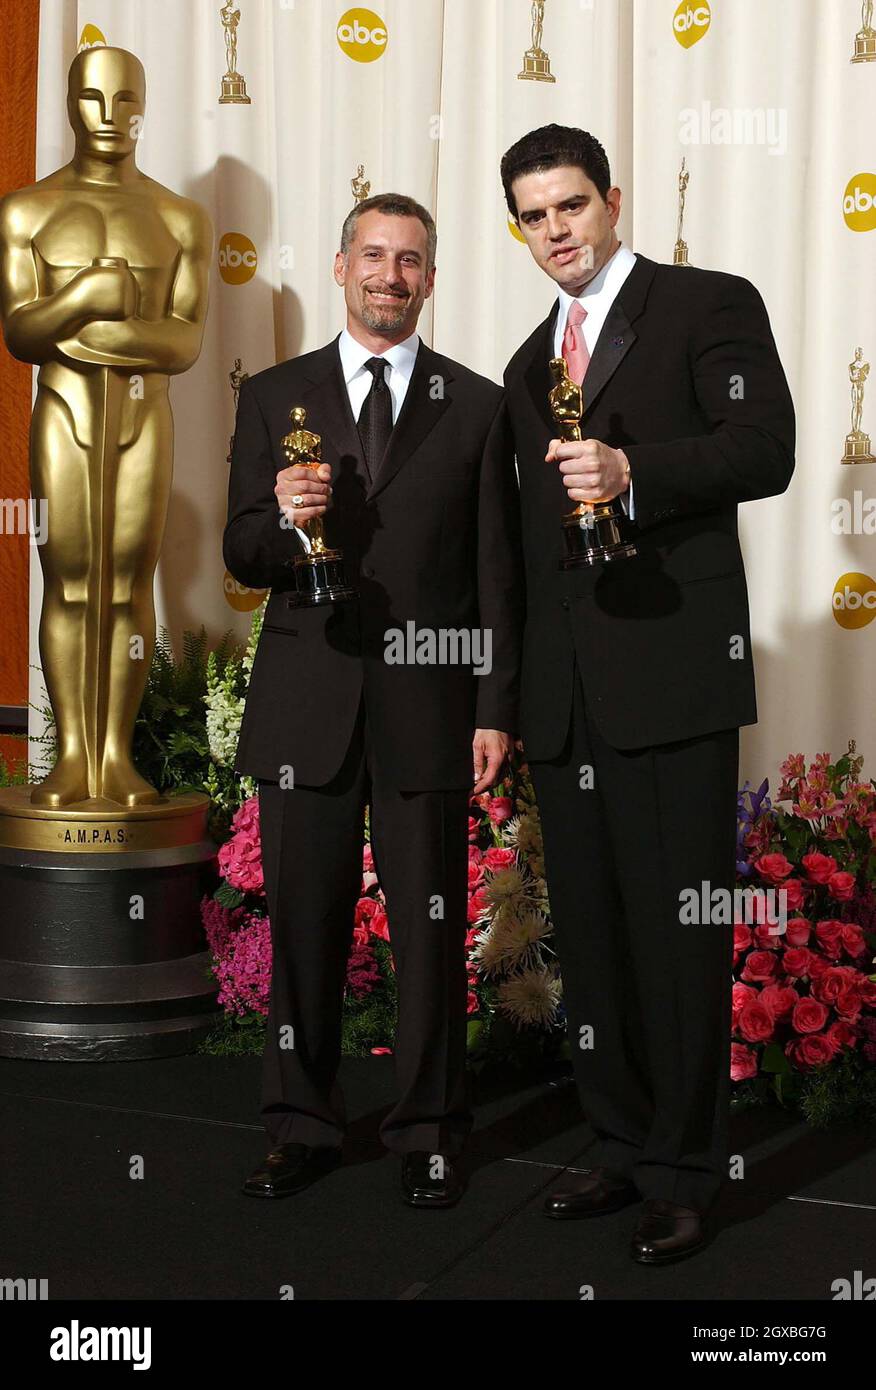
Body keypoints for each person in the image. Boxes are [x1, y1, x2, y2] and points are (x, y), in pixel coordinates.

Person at [499, 124, 795, 1262]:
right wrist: (512, 701)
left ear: (612, 202)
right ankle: (619, 1144)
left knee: (677, 940)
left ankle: (685, 1171)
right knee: (599, 936)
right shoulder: (531, 365)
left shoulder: (707, 302)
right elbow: (528, 552)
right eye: (534, 214)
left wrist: (638, 473)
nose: (556, 229)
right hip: (567, 701)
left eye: (571, 205)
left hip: (673, 678)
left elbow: (765, 447)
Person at [224, 193, 523, 1207]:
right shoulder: (273, 395)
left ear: (431, 279)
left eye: (412, 260)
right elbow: (242, 552)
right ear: (342, 266)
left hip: (431, 708)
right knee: (304, 925)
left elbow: (497, 573)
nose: (392, 274)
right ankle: (301, 1124)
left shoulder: (478, 406)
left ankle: (431, 1130)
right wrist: (280, 517)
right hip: (308, 703)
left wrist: (495, 705)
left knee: (431, 930)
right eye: (376, 255)